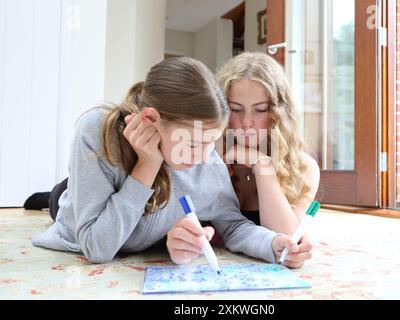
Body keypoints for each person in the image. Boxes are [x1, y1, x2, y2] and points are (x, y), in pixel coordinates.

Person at [32, 57, 299, 266]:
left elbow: (234, 225)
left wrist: (273, 243)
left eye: (212, 142)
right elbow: (97, 247)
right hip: (82, 208)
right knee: (60, 198)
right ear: (150, 120)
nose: (206, 157)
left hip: (141, 220)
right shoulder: (97, 131)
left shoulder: (205, 156)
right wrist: (147, 165)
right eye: (194, 144)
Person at [215, 52, 321, 268]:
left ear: (278, 113)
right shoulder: (206, 156)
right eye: (236, 109)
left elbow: (287, 239)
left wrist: (261, 164)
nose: (246, 122)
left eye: (260, 110)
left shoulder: (303, 167)